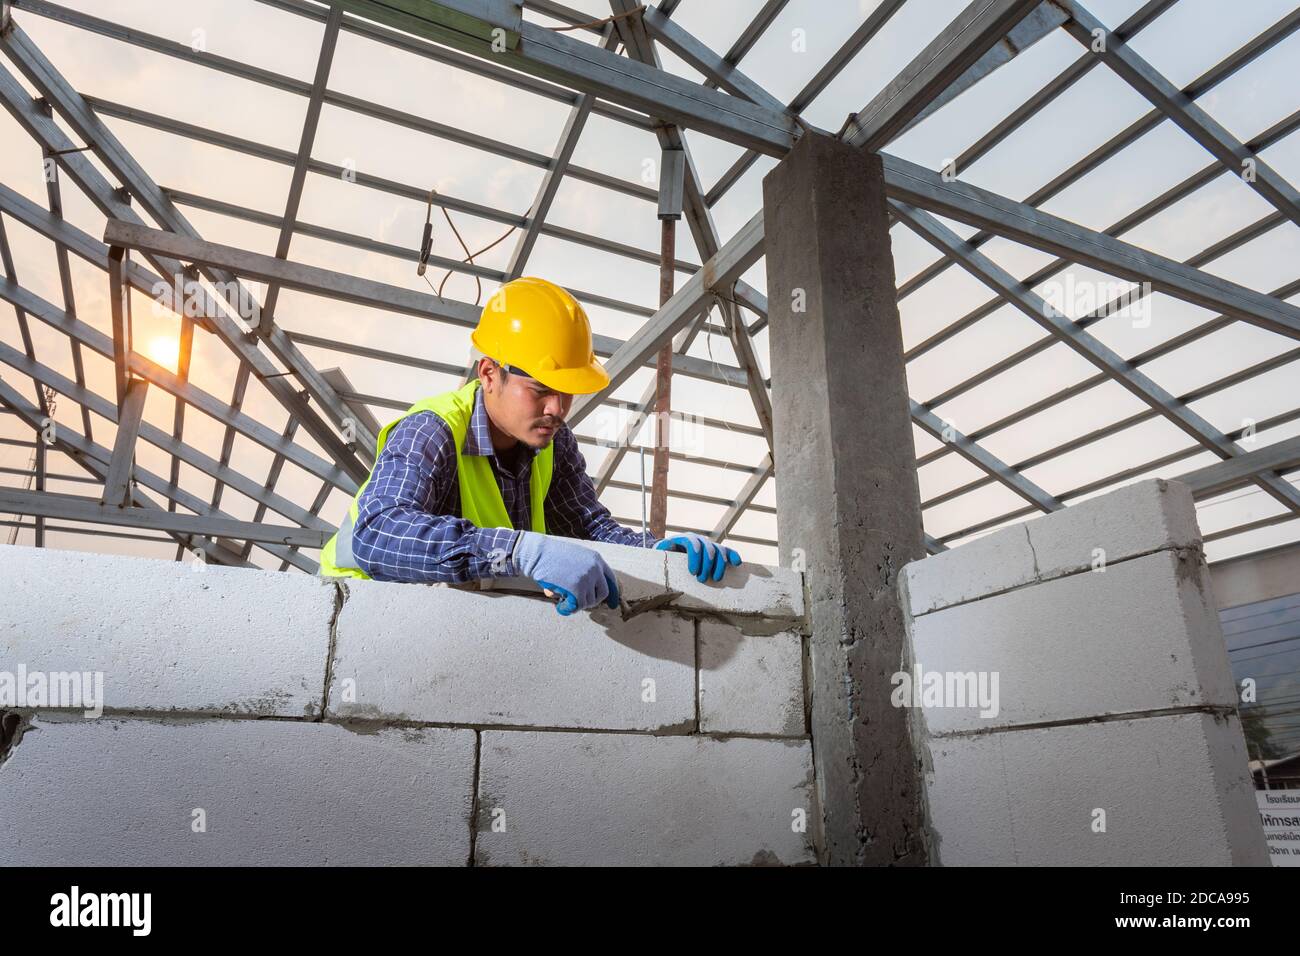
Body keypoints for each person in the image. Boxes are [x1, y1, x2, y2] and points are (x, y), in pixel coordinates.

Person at [319, 276, 742, 615]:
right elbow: (377, 534)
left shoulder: (555, 444)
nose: (557, 409)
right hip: (358, 611)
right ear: (488, 373)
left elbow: (588, 528)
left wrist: (657, 552)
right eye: (540, 389)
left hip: (454, 622)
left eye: (567, 392)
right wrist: (518, 551)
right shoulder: (431, 430)